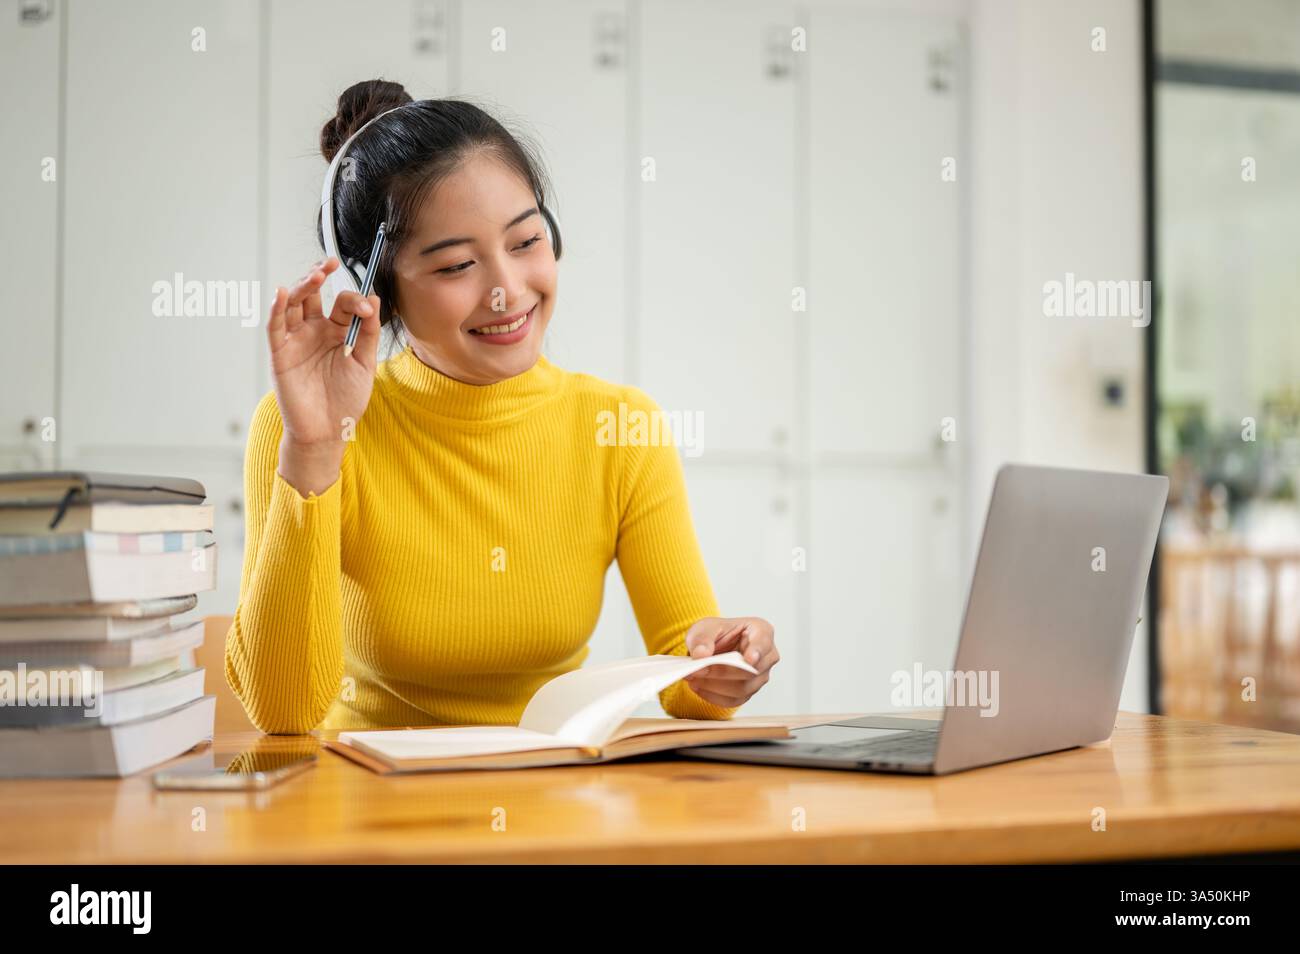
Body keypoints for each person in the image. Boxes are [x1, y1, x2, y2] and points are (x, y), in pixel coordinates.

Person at [224, 80, 779, 733]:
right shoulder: (304, 428)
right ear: (377, 290)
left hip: (551, 794)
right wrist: (315, 450)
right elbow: (282, 712)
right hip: (371, 804)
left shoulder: (621, 427)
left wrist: (721, 662)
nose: (507, 292)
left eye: (525, 242)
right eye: (458, 265)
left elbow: (686, 680)